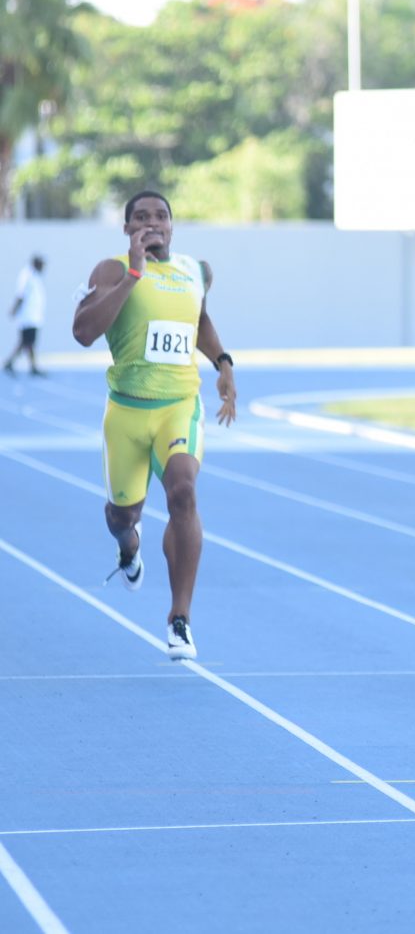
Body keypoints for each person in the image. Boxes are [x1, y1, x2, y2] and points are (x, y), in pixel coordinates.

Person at [72, 190, 237, 661]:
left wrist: (223, 362)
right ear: (127, 228)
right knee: (121, 518)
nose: (152, 222)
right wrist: (134, 273)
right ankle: (129, 549)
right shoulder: (110, 270)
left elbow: (199, 319)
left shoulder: (196, 271)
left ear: (171, 225)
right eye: (141, 217)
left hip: (178, 406)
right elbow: (83, 332)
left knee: (183, 491)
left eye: (161, 216)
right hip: (126, 413)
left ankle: (179, 618)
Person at [4, 255, 46, 376]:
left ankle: (16, 364)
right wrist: (14, 309)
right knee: (27, 342)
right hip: (28, 316)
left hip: (33, 316)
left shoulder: (35, 276)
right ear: (36, 263)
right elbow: (21, 294)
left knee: (27, 342)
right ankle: (25, 365)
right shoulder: (27, 276)